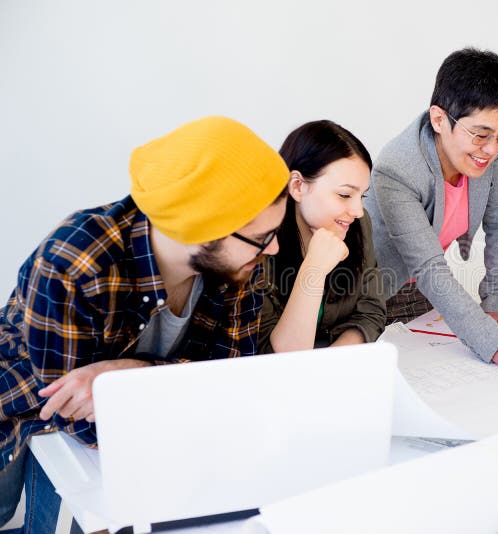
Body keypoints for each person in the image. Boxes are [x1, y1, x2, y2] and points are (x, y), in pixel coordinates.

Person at [0, 116, 290, 533]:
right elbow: (75, 412)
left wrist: (135, 373)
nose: (274, 248)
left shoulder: (240, 263)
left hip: (109, 443)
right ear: (200, 229)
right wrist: (176, 390)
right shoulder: (75, 261)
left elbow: (231, 377)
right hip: (19, 401)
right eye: (263, 237)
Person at [365, 48, 498, 377]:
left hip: (416, 290)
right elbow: (429, 267)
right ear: (439, 119)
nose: (492, 149)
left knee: (442, 375)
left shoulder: (488, 152)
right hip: (366, 293)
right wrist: (496, 345)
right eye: (480, 134)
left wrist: (497, 301)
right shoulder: (397, 169)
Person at [258, 120, 385, 352]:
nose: (357, 211)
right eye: (345, 195)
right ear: (297, 186)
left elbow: (372, 310)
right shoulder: (259, 242)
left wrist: (332, 359)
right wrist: (314, 268)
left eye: (362, 196)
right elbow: (281, 355)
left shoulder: (358, 224)